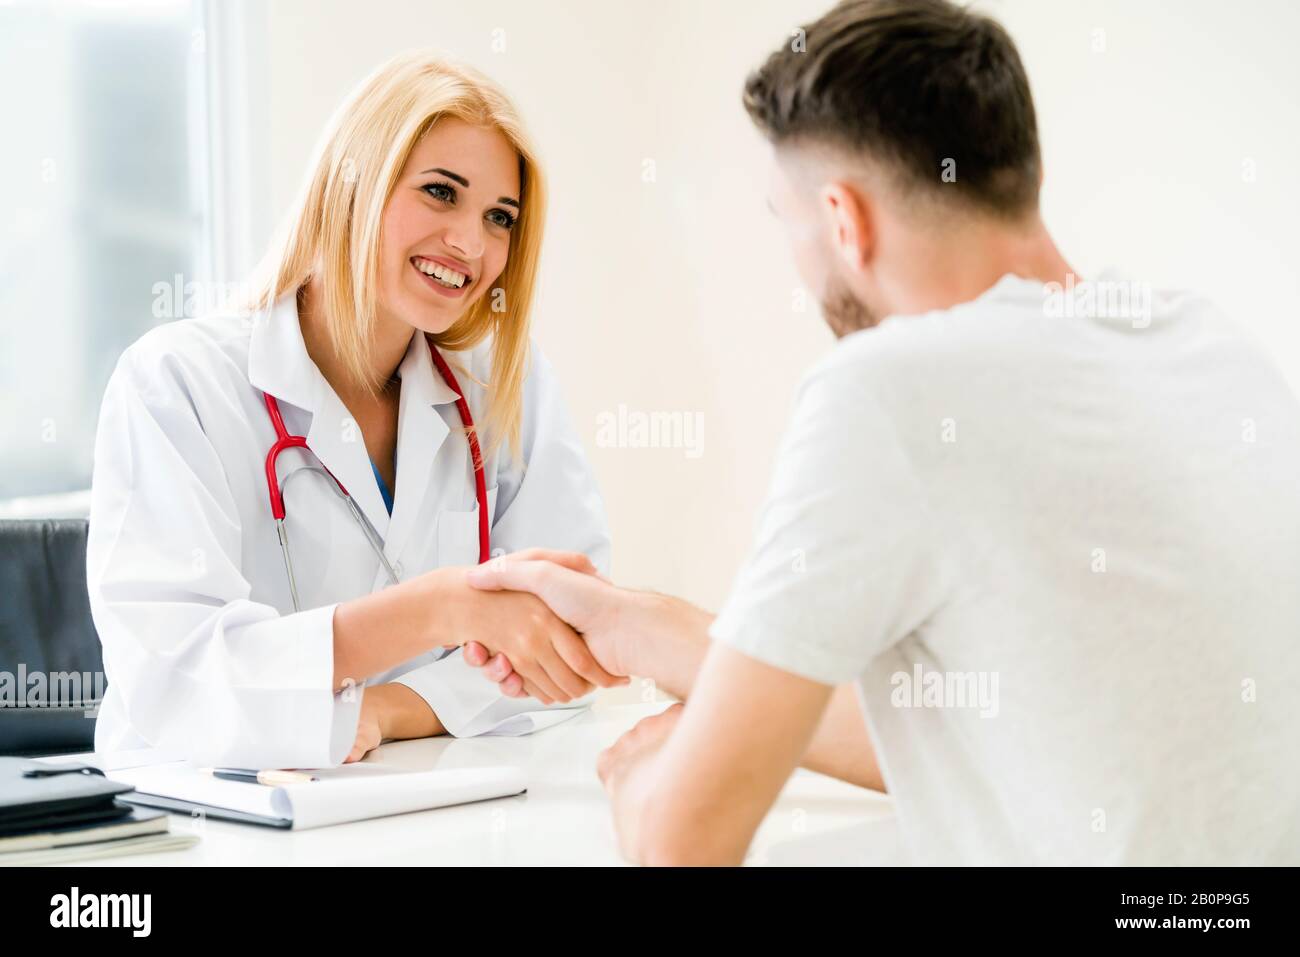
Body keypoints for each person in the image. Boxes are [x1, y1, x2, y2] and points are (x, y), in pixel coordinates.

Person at [460, 0, 1300, 865]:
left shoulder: (888, 389)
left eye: (782, 220)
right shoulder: (1211, 346)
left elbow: (686, 844)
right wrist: (640, 625)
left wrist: (639, 777)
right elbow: (979, 730)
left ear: (842, 219)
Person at [87, 53, 624, 770]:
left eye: (500, 217)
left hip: (425, 800)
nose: (471, 244)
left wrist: (395, 711)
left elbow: (566, 644)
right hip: (205, 821)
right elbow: (184, 679)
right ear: (352, 185)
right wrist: (445, 607)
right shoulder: (178, 383)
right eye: (440, 192)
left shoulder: (505, 389)